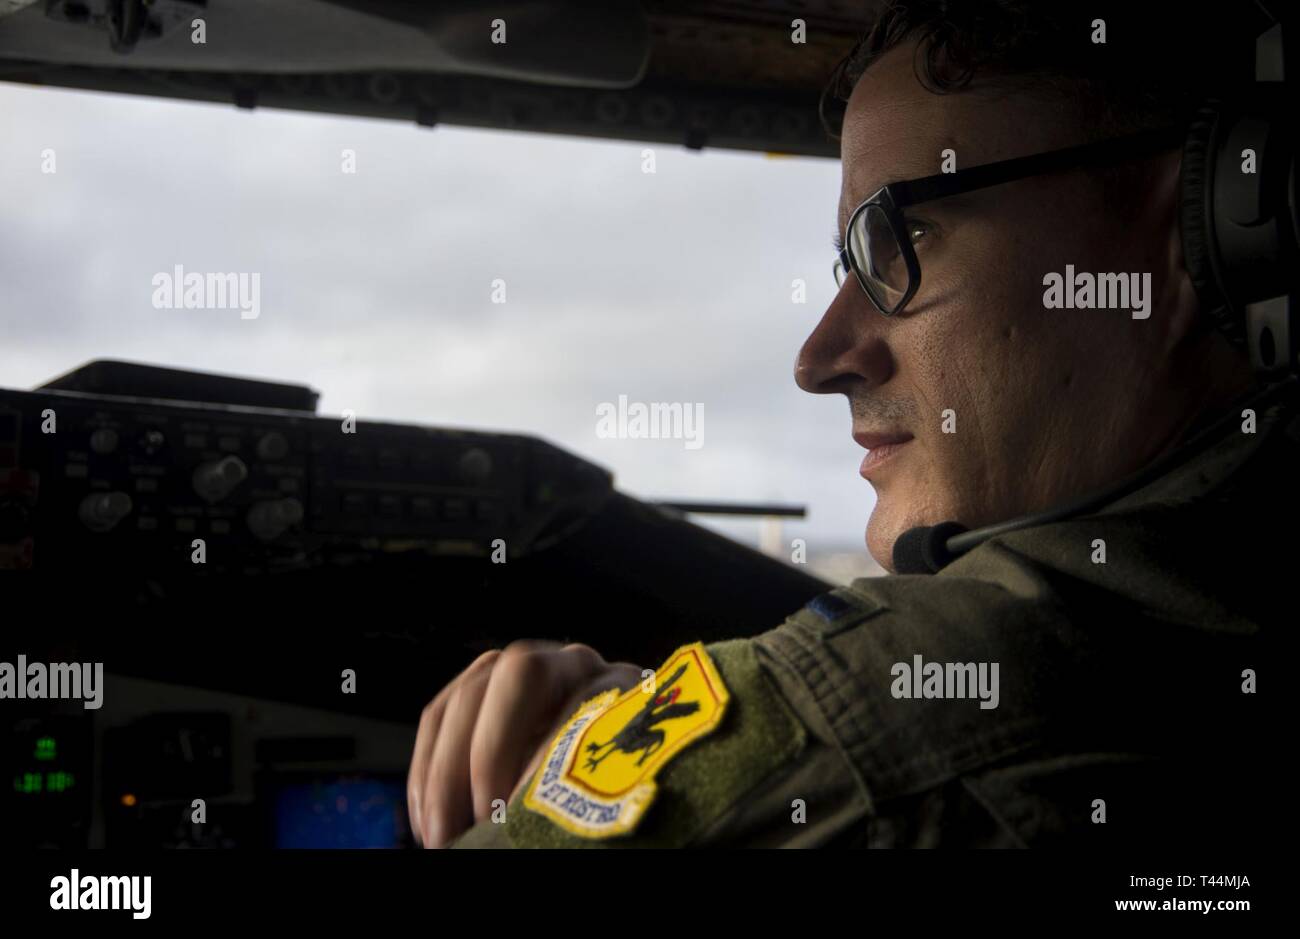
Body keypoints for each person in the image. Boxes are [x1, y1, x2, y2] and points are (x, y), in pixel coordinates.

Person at [408, 0, 1290, 848]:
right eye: (846, 260)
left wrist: (648, 761)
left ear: (1202, 230)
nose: (818, 357)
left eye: (899, 240)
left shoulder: (865, 722)